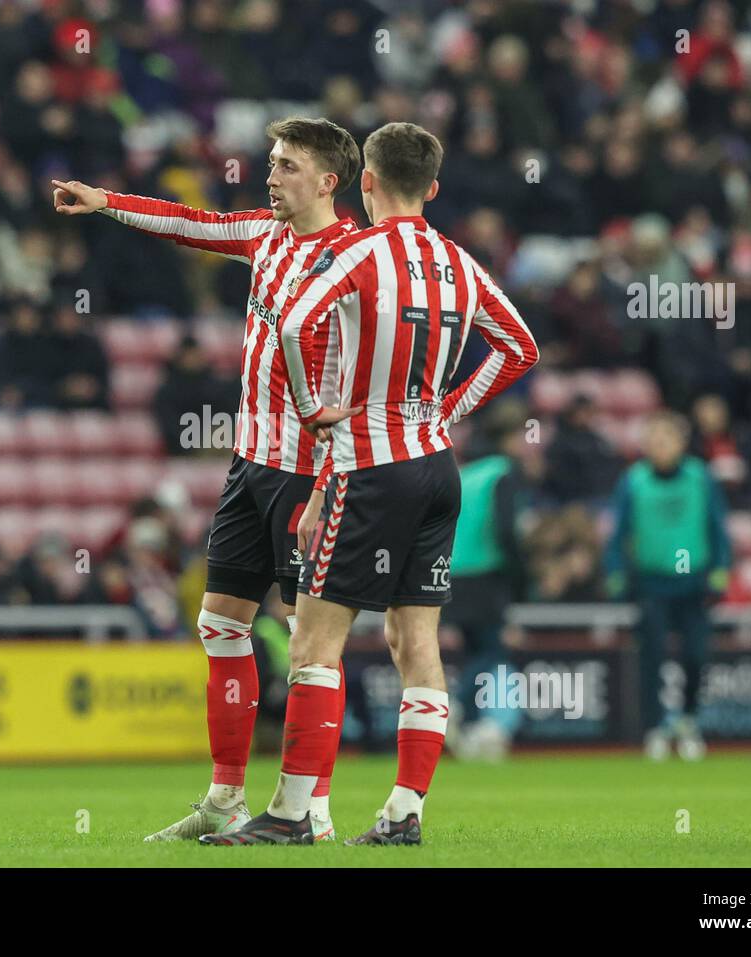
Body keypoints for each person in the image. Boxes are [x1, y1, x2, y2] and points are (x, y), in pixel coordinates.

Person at [203, 122, 538, 846]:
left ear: (365, 183)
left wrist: (312, 409)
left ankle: (293, 814)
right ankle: (404, 810)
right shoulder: (456, 261)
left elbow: (293, 325)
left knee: (314, 643)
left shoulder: (358, 251)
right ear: (434, 188)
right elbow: (519, 346)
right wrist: (448, 409)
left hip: (371, 464)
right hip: (437, 465)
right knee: (417, 640)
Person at [52, 117, 361, 843]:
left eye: (286, 166)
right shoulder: (266, 235)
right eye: (273, 161)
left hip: (312, 471)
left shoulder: (354, 260)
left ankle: (310, 806)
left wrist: (343, 467)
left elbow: (384, 363)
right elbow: (192, 222)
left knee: (311, 637)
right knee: (221, 621)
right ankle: (224, 796)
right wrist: (105, 200)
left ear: (327, 181)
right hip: (250, 464)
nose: (271, 175)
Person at [604, 411, 732, 762]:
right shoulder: (634, 480)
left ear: (680, 444)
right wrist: (615, 572)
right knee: (652, 658)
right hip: (651, 584)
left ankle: (689, 722)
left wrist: (721, 569)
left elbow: (718, 526)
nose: (660, 447)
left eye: (667, 440)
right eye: (654, 441)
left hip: (693, 584)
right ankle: (655, 728)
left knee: (696, 655)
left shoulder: (699, 477)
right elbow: (618, 533)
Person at [443, 402, 530, 760]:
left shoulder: (467, 472)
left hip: (454, 572)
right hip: (485, 574)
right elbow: (506, 528)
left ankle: (474, 726)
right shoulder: (503, 472)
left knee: (476, 652)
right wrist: (520, 573)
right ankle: (458, 708)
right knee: (494, 650)